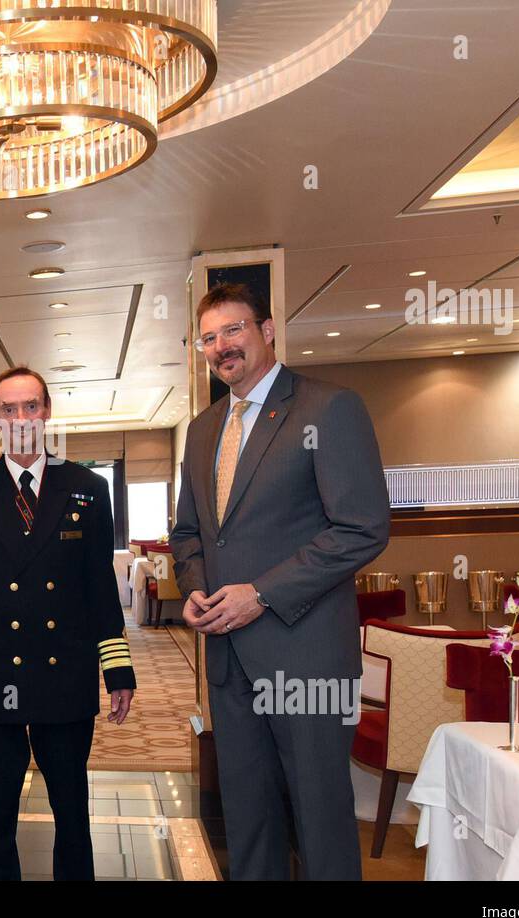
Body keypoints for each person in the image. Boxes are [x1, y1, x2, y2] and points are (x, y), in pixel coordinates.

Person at [170, 282, 390, 880]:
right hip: (228, 659)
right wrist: (194, 586)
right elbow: (189, 533)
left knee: (320, 818)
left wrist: (261, 594)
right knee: (248, 818)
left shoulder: (327, 408)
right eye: (209, 338)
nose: (222, 347)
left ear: (268, 330)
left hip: (306, 656)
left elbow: (362, 528)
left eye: (234, 330)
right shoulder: (202, 429)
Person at [0, 366, 136, 880]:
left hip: (64, 675)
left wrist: (117, 670)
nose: (21, 417)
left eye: (31, 406)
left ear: (47, 412)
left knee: (72, 813)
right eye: (9, 408)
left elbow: (99, 587)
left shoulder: (88, 488)